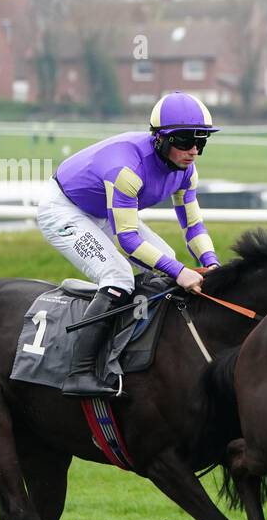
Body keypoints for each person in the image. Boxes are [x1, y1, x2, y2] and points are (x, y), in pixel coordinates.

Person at [36, 91, 222, 397]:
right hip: (65, 209)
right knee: (119, 276)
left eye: (200, 142)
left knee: (166, 258)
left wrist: (211, 261)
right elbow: (129, 240)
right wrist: (180, 272)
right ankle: (79, 371)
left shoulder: (187, 170)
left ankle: (135, 341)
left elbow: (192, 224)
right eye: (185, 142)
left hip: (103, 210)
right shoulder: (126, 169)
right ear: (160, 139)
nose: (194, 151)